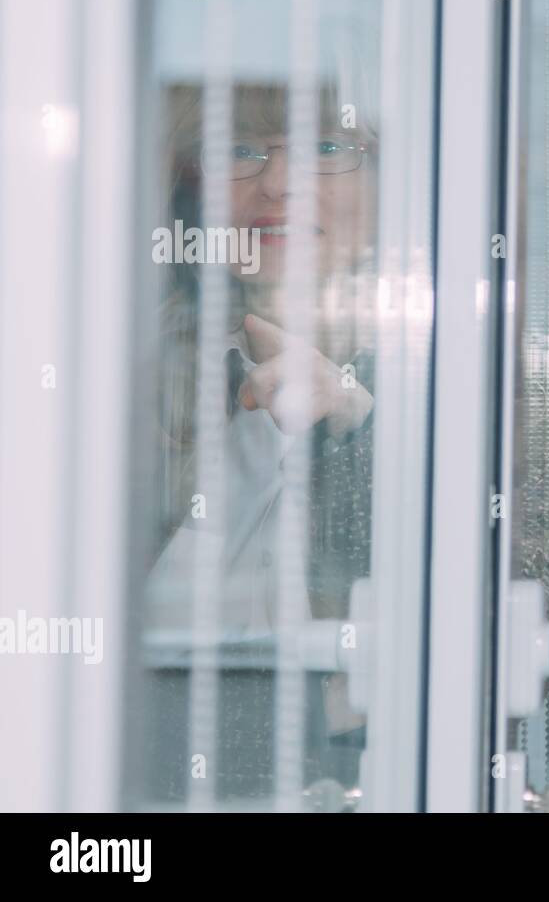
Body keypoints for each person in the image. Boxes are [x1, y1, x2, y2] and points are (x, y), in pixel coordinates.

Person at [140, 82, 378, 800]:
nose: (278, 182)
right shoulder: (112, 376)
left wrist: (358, 430)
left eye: (327, 148)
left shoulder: (475, 393)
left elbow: (520, 625)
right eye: (239, 150)